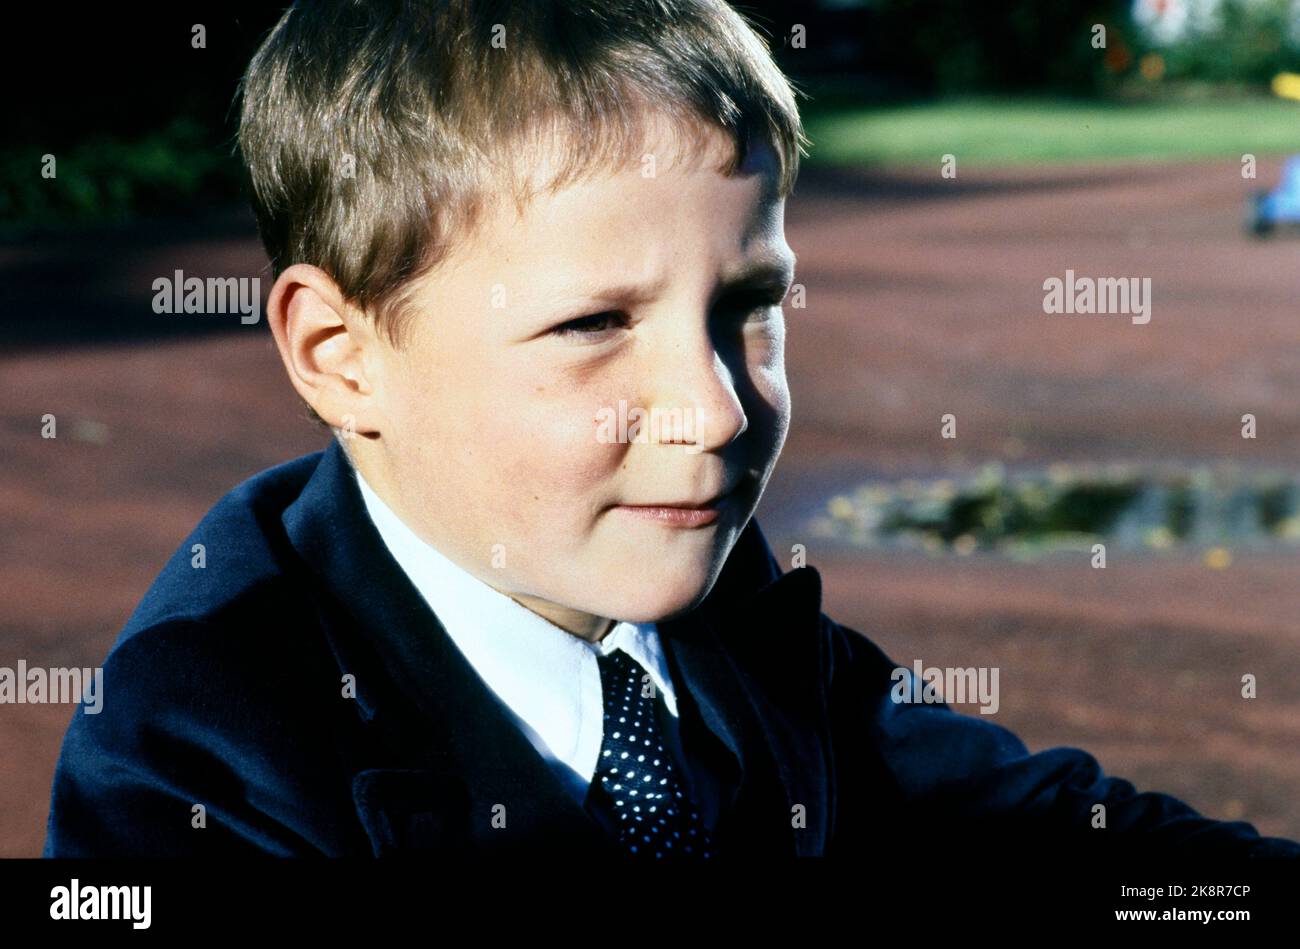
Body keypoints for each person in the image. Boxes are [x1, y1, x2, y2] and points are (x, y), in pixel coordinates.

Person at [43, 0, 1299, 862]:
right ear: (340, 355)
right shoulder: (198, 763)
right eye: (594, 323)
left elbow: (1037, 831)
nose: (712, 410)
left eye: (748, 307)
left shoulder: (712, 616)